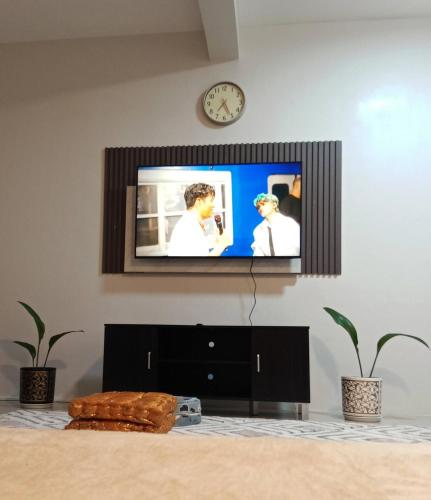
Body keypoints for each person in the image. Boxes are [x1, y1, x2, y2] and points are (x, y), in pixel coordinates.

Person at [168, 183, 231, 256]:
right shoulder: (189, 227)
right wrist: (221, 246)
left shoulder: (190, 223)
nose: (213, 205)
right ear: (199, 202)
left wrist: (218, 244)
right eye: (211, 201)